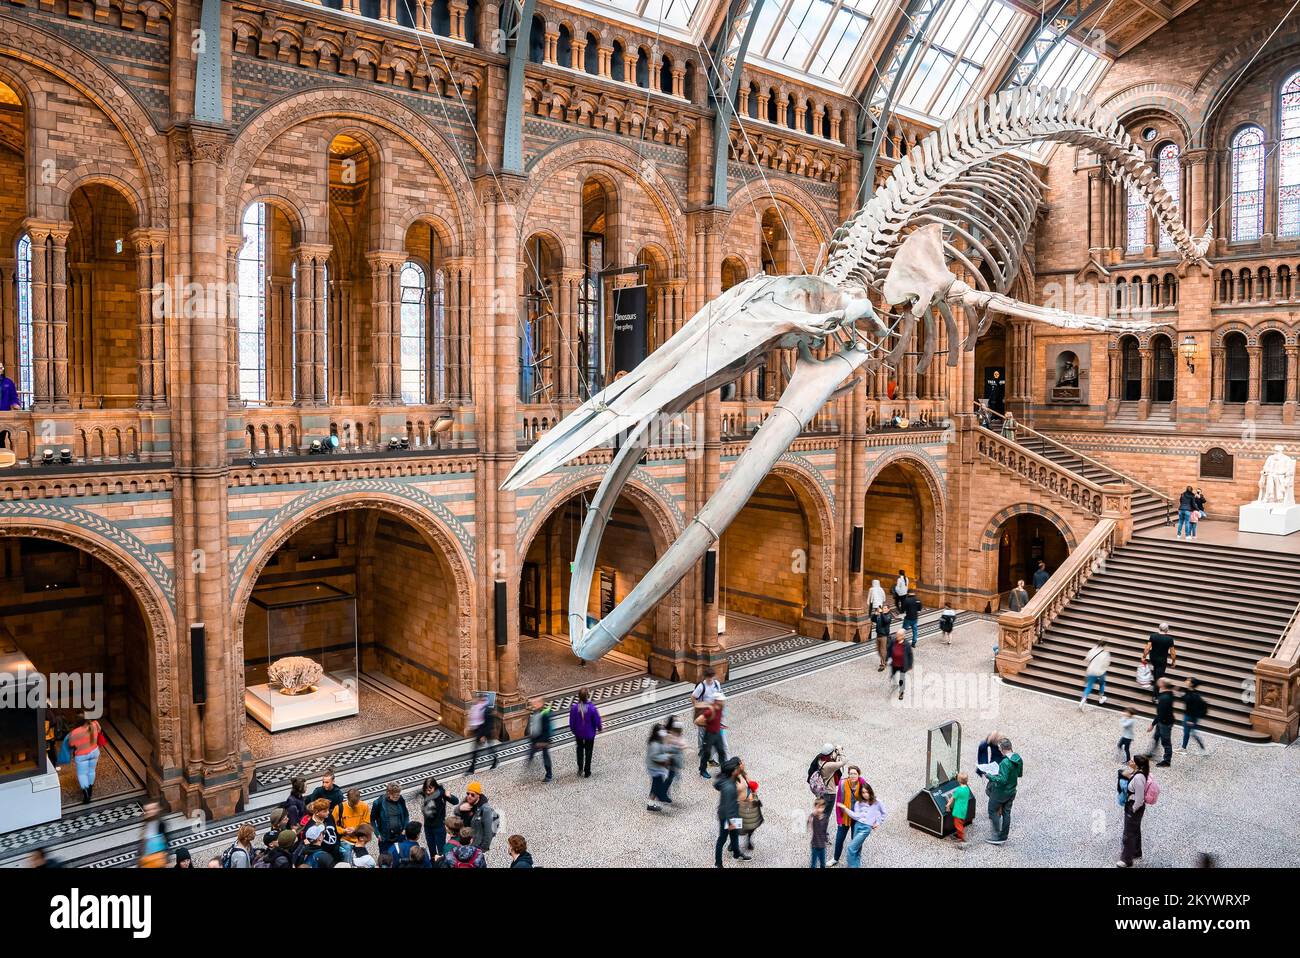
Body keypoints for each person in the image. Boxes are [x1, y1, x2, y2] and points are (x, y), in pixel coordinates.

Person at [983, 736, 1023, 845]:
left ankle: (997, 835)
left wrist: (990, 776)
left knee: (992, 810)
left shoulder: (1005, 763)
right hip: (1012, 791)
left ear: (1003, 748)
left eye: (1000, 749)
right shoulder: (1018, 758)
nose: (999, 751)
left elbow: (1003, 780)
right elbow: (1019, 774)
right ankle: (1004, 835)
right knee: (1007, 813)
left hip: (1001, 793)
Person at [838, 780, 886, 868]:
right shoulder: (858, 803)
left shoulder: (877, 801)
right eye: (863, 792)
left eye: (867, 792)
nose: (865, 794)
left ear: (870, 791)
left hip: (866, 828)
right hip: (857, 826)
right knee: (857, 848)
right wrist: (845, 809)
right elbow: (856, 816)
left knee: (851, 848)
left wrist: (878, 822)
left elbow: (883, 813)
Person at [713, 757, 750, 866]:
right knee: (722, 839)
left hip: (732, 813)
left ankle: (737, 853)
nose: (741, 767)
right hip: (727, 816)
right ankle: (718, 863)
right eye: (739, 766)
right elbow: (729, 807)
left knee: (734, 835)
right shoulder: (729, 787)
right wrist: (731, 822)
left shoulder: (727, 778)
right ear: (734, 770)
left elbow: (716, 785)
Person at [829, 764, 868, 867]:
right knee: (839, 839)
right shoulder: (843, 784)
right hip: (845, 817)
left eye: (855, 774)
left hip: (857, 818)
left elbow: (868, 798)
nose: (852, 776)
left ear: (858, 774)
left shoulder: (863, 783)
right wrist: (839, 820)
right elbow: (838, 803)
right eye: (851, 773)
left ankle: (856, 860)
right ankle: (835, 858)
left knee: (856, 841)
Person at [1117, 755, 1151, 868]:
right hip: (1132, 805)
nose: (1130, 761)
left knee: (1128, 833)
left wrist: (1133, 808)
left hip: (1134, 807)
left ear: (1136, 764)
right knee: (1135, 830)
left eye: (1132, 760)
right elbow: (1126, 774)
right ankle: (1136, 852)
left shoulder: (1138, 778)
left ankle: (1127, 860)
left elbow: (1140, 798)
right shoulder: (1137, 772)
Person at [417, 777, 458, 861]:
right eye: (426, 789)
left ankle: (441, 864)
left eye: (430, 789)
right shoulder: (425, 794)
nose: (428, 791)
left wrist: (449, 795)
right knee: (431, 849)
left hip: (439, 827)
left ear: (435, 787)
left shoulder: (442, 793)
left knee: (441, 850)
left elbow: (456, 801)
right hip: (428, 826)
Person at [66, 713, 102, 803]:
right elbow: (99, 731)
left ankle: (86, 793)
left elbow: (71, 744)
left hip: (81, 756)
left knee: (82, 774)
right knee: (91, 771)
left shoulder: (74, 732)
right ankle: (90, 789)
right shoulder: (95, 724)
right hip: (94, 752)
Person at [459, 781, 499, 859]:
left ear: (478, 795)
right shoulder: (468, 804)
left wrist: (481, 850)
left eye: (472, 794)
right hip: (468, 842)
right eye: (468, 794)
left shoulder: (486, 810)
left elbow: (489, 833)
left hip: (476, 846)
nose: (469, 796)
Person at [568, 687, 603, 777]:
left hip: (578, 733)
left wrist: (574, 730)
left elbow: (572, 722)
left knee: (579, 750)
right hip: (589, 734)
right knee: (588, 751)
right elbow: (597, 720)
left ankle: (580, 768)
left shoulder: (574, 708)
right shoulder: (592, 708)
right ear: (588, 696)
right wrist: (599, 728)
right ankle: (587, 771)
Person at [371, 782, 410, 858]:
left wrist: (405, 828)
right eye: (395, 796)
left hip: (400, 836)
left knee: (403, 858)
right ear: (388, 793)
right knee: (386, 859)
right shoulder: (378, 803)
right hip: (385, 838)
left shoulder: (400, 799)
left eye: (398, 795)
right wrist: (377, 834)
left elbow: (406, 815)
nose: (397, 797)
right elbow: (372, 820)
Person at [691, 667, 723, 761]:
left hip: (714, 711)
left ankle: (710, 747)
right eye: (708, 677)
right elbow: (693, 697)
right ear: (705, 677)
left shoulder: (716, 684)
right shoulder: (701, 686)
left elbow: (719, 694)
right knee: (702, 731)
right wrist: (698, 705)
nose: (710, 679)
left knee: (712, 729)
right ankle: (701, 748)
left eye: (711, 677)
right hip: (705, 711)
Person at [334, 788, 370, 862]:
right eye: (352, 803)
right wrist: (344, 831)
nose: (355, 805)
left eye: (356, 803)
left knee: (364, 862)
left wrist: (356, 829)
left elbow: (366, 822)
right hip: (345, 840)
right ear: (348, 799)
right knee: (347, 862)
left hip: (359, 840)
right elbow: (333, 826)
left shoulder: (364, 806)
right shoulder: (339, 808)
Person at [1146, 678, 1176, 767]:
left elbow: (1161, 714)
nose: (1157, 682)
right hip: (1164, 720)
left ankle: (1167, 761)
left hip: (1165, 722)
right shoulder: (1168, 694)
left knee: (1166, 742)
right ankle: (1151, 753)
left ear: (1162, 685)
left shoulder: (1164, 698)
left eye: (1159, 681)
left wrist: (1152, 724)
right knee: (1156, 737)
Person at [467, 693, 500, 773]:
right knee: (481, 749)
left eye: (480, 699)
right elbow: (475, 718)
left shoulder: (488, 710)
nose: (477, 700)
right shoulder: (478, 707)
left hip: (485, 733)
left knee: (480, 749)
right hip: (480, 731)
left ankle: (472, 768)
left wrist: (483, 735)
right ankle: (495, 760)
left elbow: (489, 724)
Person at [697, 693, 728, 778]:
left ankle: (724, 771)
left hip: (717, 733)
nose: (723, 702)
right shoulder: (710, 710)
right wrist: (707, 725)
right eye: (721, 700)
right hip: (709, 734)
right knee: (706, 753)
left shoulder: (720, 708)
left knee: (721, 752)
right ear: (716, 701)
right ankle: (702, 770)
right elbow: (698, 721)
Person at [806, 744, 843, 811]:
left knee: (820, 812)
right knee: (825, 815)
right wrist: (840, 751)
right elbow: (844, 761)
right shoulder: (829, 765)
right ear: (830, 754)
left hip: (821, 791)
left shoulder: (820, 760)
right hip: (829, 793)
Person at [525, 696, 554, 782]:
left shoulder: (545, 714)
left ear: (541, 704)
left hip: (543, 739)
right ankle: (530, 764)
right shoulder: (536, 711)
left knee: (545, 756)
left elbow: (547, 729)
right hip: (535, 738)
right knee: (531, 753)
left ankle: (549, 775)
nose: (533, 705)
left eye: (535, 703)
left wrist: (544, 741)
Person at [1178, 677, 1210, 754]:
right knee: (1188, 732)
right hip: (1188, 715)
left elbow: (1193, 708)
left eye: (1188, 680)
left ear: (1191, 684)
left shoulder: (1194, 695)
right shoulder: (1189, 691)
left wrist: (1191, 720)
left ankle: (1202, 749)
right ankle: (1184, 748)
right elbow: (1185, 699)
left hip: (1190, 716)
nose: (1186, 681)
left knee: (1192, 733)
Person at [645, 723, 672, 811]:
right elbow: (655, 757)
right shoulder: (655, 744)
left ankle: (652, 802)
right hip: (655, 769)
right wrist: (666, 758)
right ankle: (652, 803)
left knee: (655, 786)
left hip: (656, 769)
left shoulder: (657, 741)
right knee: (656, 786)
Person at [135, 801, 170, 868]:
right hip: (147, 860)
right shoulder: (146, 823)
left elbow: (166, 841)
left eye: (153, 809)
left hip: (158, 859)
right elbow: (143, 842)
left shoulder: (161, 824)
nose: (150, 812)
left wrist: (167, 859)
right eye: (147, 810)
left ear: (158, 809)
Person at [1143, 623, 1177, 688]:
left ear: (1159, 628)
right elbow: (1172, 652)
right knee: (1159, 677)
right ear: (1167, 630)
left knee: (1156, 670)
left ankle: (1156, 681)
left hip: (1153, 658)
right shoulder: (1169, 639)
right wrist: (1173, 661)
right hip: (1162, 660)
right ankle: (1155, 694)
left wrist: (1144, 657)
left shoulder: (1153, 636)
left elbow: (1147, 648)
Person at [661, 715, 686, 802]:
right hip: (668, 760)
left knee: (670, 777)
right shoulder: (667, 735)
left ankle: (664, 793)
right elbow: (665, 748)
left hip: (673, 760)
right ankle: (662, 793)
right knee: (669, 777)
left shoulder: (675, 733)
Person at [1079, 640, 1111, 708]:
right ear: (1105, 645)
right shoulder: (1106, 653)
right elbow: (1107, 663)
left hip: (1091, 671)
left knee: (1089, 685)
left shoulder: (1092, 650)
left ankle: (1083, 700)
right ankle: (1101, 698)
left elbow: (1087, 659)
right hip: (1100, 672)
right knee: (1102, 684)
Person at [737, 771, 763, 851]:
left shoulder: (749, 793)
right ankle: (738, 842)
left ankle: (745, 841)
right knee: (741, 828)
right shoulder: (753, 795)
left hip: (748, 814)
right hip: (748, 814)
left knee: (746, 828)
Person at [886, 627, 913, 701]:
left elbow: (910, 655)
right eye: (896, 635)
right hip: (894, 663)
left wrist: (910, 665)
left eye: (898, 635)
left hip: (902, 665)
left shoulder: (907, 644)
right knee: (892, 675)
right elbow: (889, 650)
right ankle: (894, 684)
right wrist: (886, 658)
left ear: (903, 636)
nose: (897, 636)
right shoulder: (893, 641)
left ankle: (901, 692)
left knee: (902, 679)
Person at [946, 772, 973, 846]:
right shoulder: (967, 788)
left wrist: (948, 806)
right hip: (963, 810)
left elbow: (952, 798)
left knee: (958, 825)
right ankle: (958, 834)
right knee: (961, 822)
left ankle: (961, 838)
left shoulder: (958, 790)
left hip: (958, 811)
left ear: (958, 781)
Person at [0, 362, 20, 450]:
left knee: (1, 439)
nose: (2, 369)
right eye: (0, 368)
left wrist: (15, 403)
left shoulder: (8, 382)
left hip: (4, 414)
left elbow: (13, 395)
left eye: (2, 368)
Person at [808, 797, 830, 868]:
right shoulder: (813, 817)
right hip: (814, 845)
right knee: (813, 864)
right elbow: (809, 825)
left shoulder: (825, 818)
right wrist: (812, 815)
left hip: (822, 846)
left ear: (824, 807)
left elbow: (825, 830)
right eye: (818, 807)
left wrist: (826, 840)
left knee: (823, 864)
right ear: (815, 807)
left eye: (822, 807)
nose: (820, 809)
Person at [873, 604, 894, 672]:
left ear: (888, 609)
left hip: (884, 636)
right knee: (879, 650)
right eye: (883, 608)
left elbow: (885, 621)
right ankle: (885, 659)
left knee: (882, 651)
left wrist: (881, 613)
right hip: (878, 635)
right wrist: (875, 614)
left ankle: (882, 665)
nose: (884, 609)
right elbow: (873, 620)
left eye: (885, 608)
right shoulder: (880, 615)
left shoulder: (889, 616)